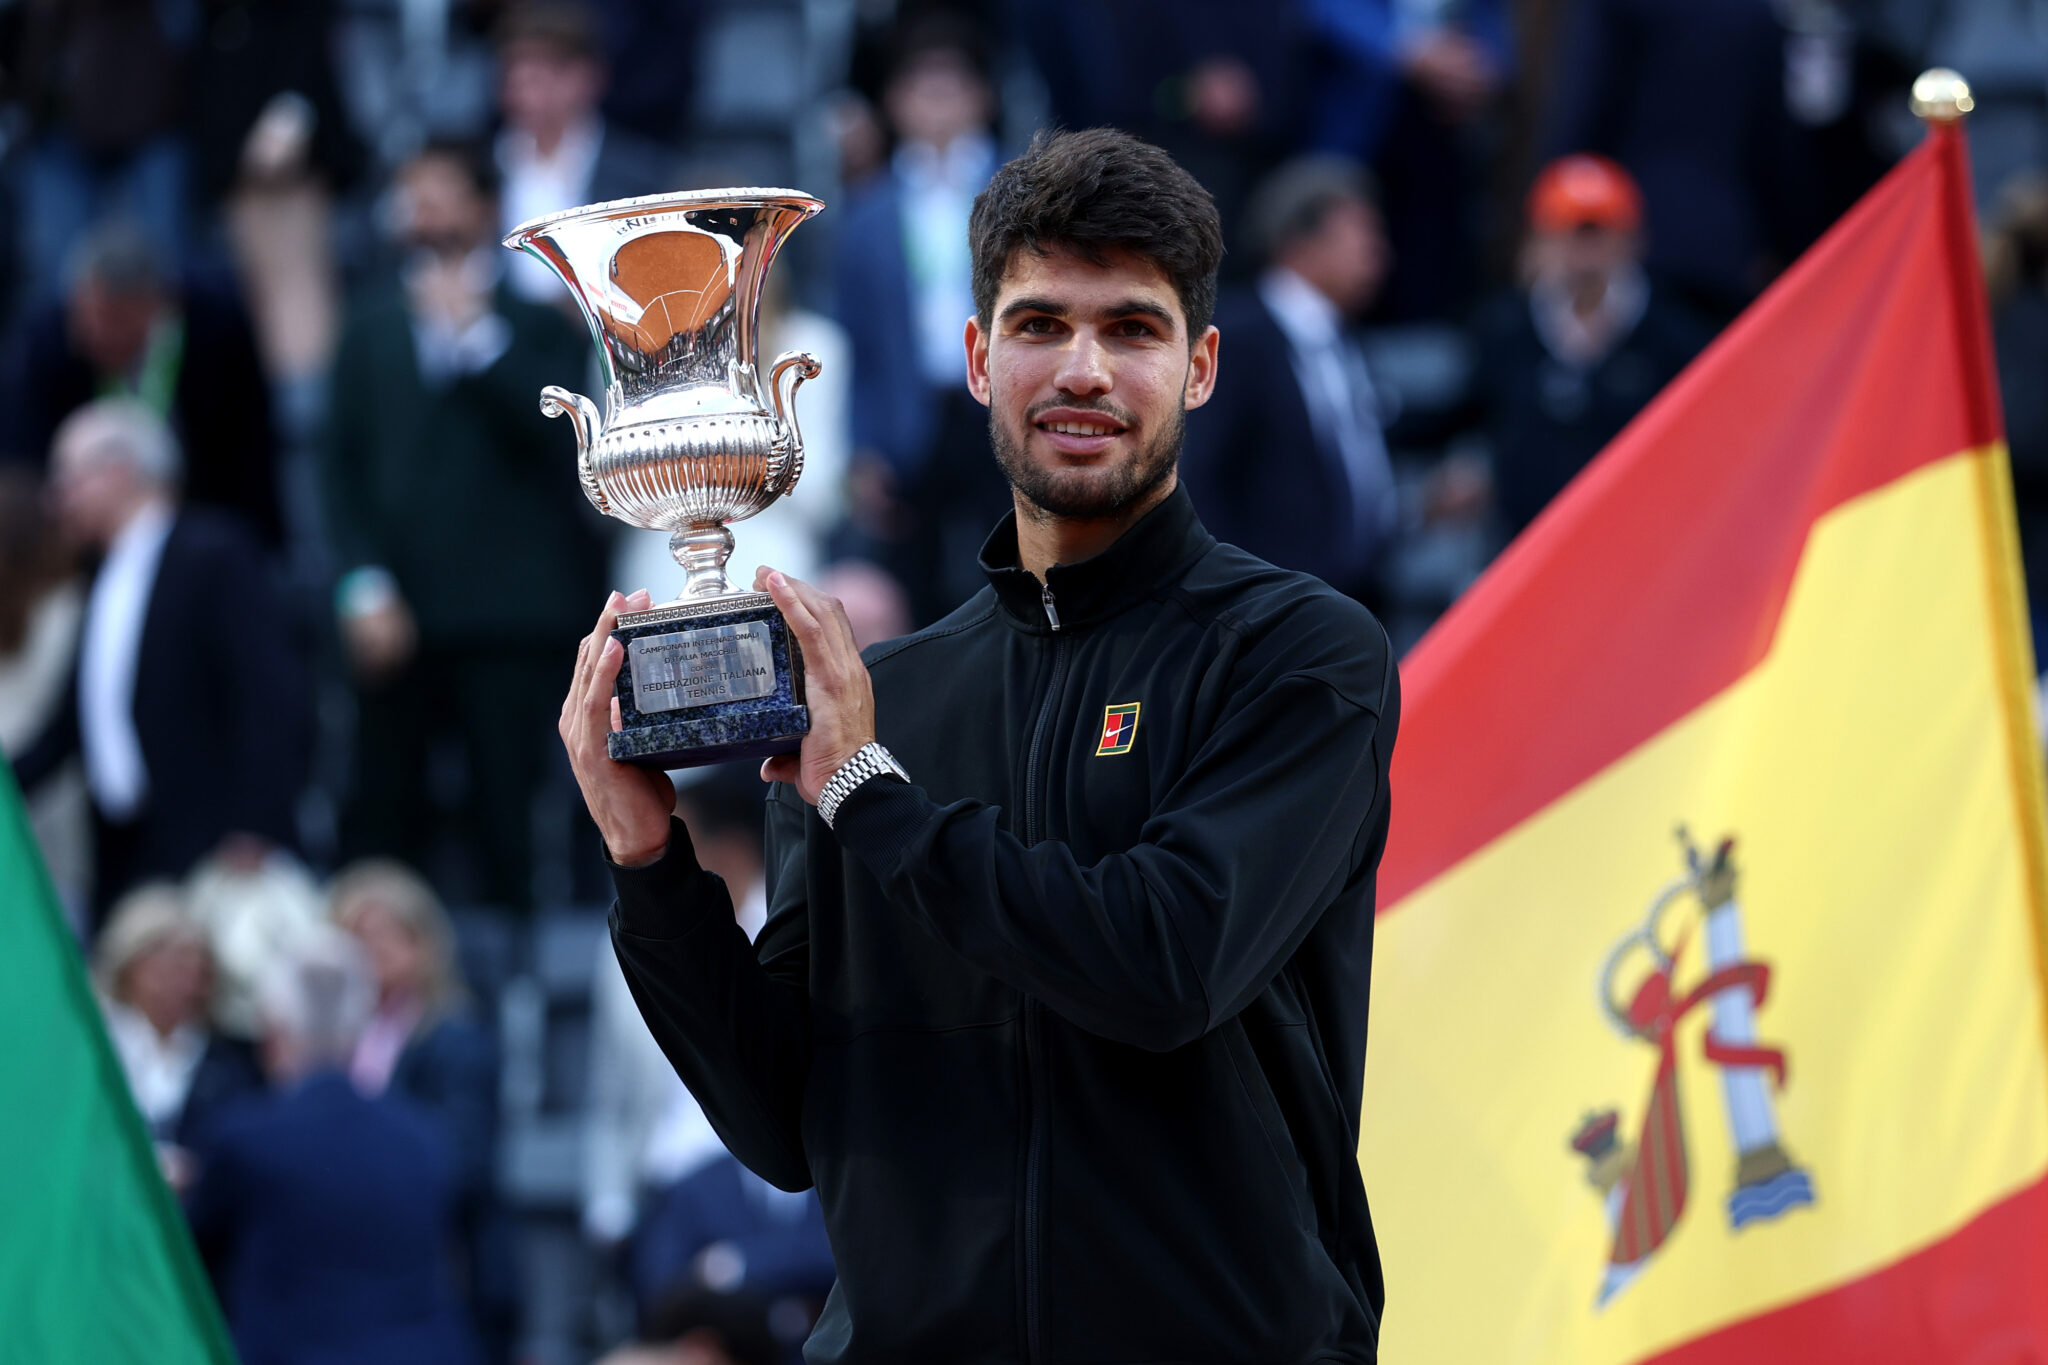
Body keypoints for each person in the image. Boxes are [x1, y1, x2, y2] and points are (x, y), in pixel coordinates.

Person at [564, 128, 1398, 1361]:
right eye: (1038, 324)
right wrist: (650, 868)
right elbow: (783, 1120)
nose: (1082, 370)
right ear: (972, 354)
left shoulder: (1296, 653)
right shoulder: (874, 698)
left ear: (1202, 365)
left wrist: (872, 797)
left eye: (1131, 329)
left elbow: (1165, 963)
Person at [321, 139, 603, 910]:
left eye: (441, 192)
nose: (425, 211)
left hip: (511, 622)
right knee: (384, 816)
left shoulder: (539, 324)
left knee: (509, 822)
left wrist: (478, 345)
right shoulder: (368, 324)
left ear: (484, 207)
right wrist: (362, 585)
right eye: (412, 194)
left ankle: (515, 997)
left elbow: (565, 443)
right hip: (396, 618)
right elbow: (336, 472)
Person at [10, 399, 311, 923]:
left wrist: (257, 823)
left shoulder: (214, 553)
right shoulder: (101, 580)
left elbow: (268, 694)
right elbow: (69, 728)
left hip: (212, 844)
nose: (58, 503)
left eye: (69, 481)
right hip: (122, 846)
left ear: (118, 471)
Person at [184, 927, 479, 1365]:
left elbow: (191, 1260)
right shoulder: (426, 1140)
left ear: (273, 1030)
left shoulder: (243, 1140)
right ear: (361, 1029)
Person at [832, 18, 1009, 623]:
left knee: (1013, 554)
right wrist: (862, 446)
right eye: (921, 89)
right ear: (894, 102)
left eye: (951, 88)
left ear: (982, 98)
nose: (936, 105)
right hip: (911, 411)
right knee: (915, 568)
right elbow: (854, 339)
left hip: (996, 397)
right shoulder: (869, 207)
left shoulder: (1021, 191)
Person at [1181, 156, 1398, 608]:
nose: (1378, 252)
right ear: (1300, 243)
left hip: (1352, 601)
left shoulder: (1347, 339)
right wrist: (1232, 597)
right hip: (1267, 611)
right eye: (1362, 233)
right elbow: (1198, 474)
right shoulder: (1236, 338)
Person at [330, 858, 513, 1363]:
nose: (372, 952)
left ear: (423, 945)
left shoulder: (455, 1037)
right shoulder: (328, 1042)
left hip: (441, 1262)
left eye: (388, 935)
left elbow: (463, 1157)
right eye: (357, 938)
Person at [3, 221, 283, 545]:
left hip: (199, 523)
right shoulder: (48, 342)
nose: (94, 334)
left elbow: (249, 459)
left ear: (156, 304)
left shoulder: (218, 327)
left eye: (112, 319)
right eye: (86, 318)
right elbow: (24, 464)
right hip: (85, 538)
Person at [1474, 154, 1711, 537]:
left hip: (1642, 539)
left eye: (1597, 234)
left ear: (1631, 239)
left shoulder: (1673, 336)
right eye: (1569, 234)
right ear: (1540, 241)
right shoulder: (1506, 328)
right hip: (1523, 548)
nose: (1584, 256)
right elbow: (1474, 412)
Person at [495, 0, 679, 306]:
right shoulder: (488, 168)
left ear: (586, 78)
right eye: (516, 79)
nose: (525, 95)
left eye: (539, 78)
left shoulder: (642, 177)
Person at [92, 883, 265, 1177]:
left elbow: (239, 1147)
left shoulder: (228, 1065)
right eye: (164, 963)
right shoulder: (96, 1048)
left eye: (190, 965)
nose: (178, 980)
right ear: (128, 965)